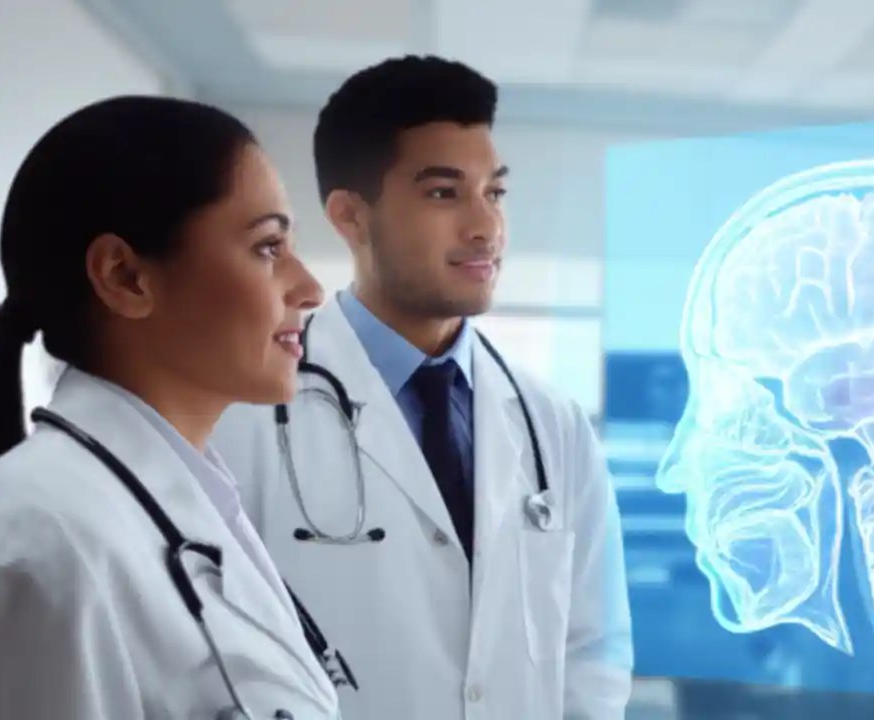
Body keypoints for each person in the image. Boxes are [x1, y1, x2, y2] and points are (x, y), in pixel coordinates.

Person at [210, 55, 634, 718]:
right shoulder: (247, 413)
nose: (485, 227)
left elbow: (594, 652)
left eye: (494, 192)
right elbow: (213, 651)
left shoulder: (554, 425)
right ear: (350, 217)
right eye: (444, 193)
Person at [0, 96, 346, 719]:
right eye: (267, 248)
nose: (310, 288)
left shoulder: (191, 505)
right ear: (125, 277)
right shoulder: (46, 540)